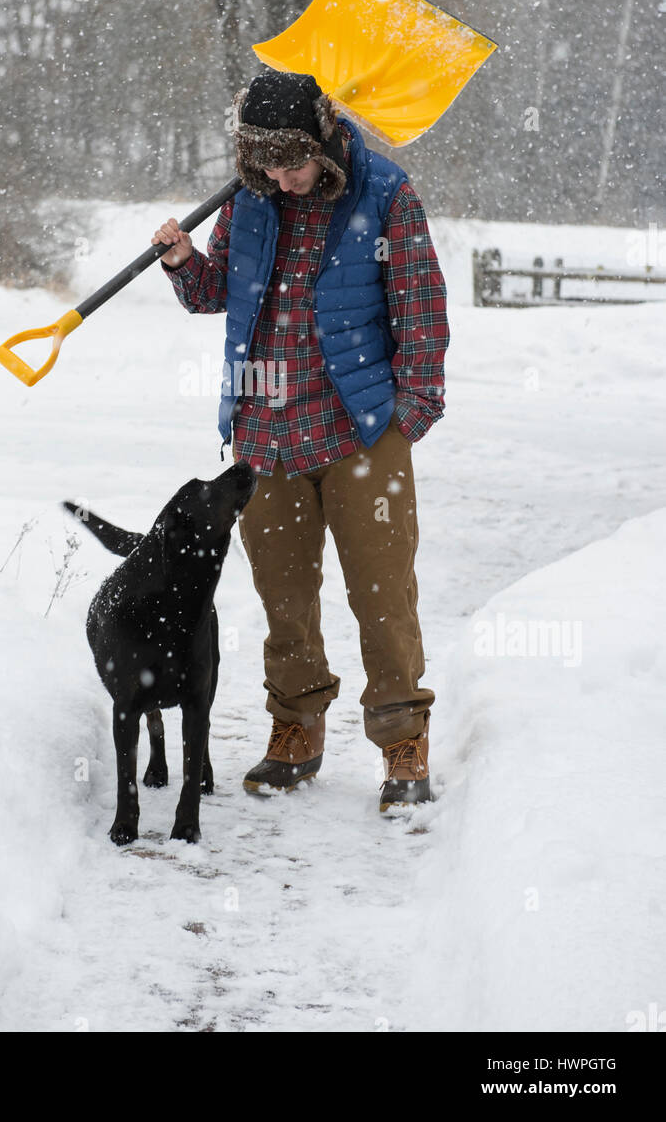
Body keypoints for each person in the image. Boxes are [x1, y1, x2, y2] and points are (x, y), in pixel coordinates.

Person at [151, 70, 449, 811]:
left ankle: (400, 739)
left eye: (290, 164)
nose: (280, 181)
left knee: (382, 596)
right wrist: (184, 264)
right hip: (265, 431)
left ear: (321, 144)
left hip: (359, 430)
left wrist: (408, 415)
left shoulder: (384, 194)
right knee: (282, 597)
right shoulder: (250, 200)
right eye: (264, 166)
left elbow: (420, 309)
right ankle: (295, 730)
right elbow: (220, 292)